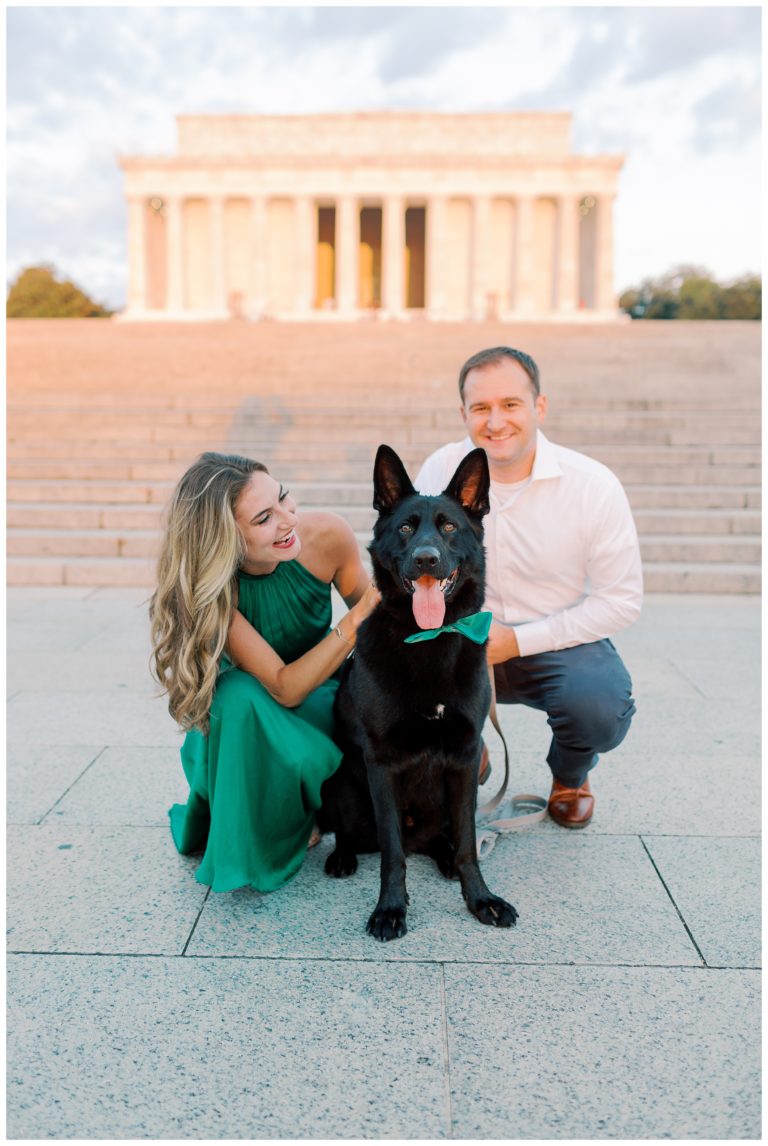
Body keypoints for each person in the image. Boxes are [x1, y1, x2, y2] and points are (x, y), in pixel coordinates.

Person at [415, 347, 642, 828]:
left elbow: (621, 601)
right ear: (464, 414)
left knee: (599, 703)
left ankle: (571, 775)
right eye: (480, 408)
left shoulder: (592, 484)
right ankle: (462, 753)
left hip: (554, 638)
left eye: (511, 404)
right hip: (461, 640)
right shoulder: (440, 469)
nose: (495, 421)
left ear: (539, 407)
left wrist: (519, 640)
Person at [150, 451, 380, 892]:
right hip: (247, 720)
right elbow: (281, 686)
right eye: (263, 519)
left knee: (352, 698)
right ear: (226, 540)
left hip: (322, 696)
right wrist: (353, 622)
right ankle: (265, 829)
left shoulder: (327, 535)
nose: (287, 520)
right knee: (233, 694)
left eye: (283, 498)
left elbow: (383, 630)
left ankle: (300, 807)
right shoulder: (214, 588)